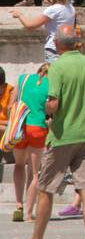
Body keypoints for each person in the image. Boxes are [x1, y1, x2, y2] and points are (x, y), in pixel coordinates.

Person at [13, 24, 85, 239]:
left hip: (63, 135)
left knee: (46, 189)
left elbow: (53, 103)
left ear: (57, 44)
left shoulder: (58, 68)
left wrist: (45, 108)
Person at [12, 63, 50, 222]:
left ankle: (19, 204)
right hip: (37, 127)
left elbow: (11, 103)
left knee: (19, 164)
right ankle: (28, 213)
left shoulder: (23, 79)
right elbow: (50, 109)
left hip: (20, 125)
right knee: (34, 173)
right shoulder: (51, 85)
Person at [10, 0, 76, 64]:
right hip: (67, 48)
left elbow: (30, 25)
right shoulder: (70, 7)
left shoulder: (53, 10)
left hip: (54, 48)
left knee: (53, 75)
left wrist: (19, 15)